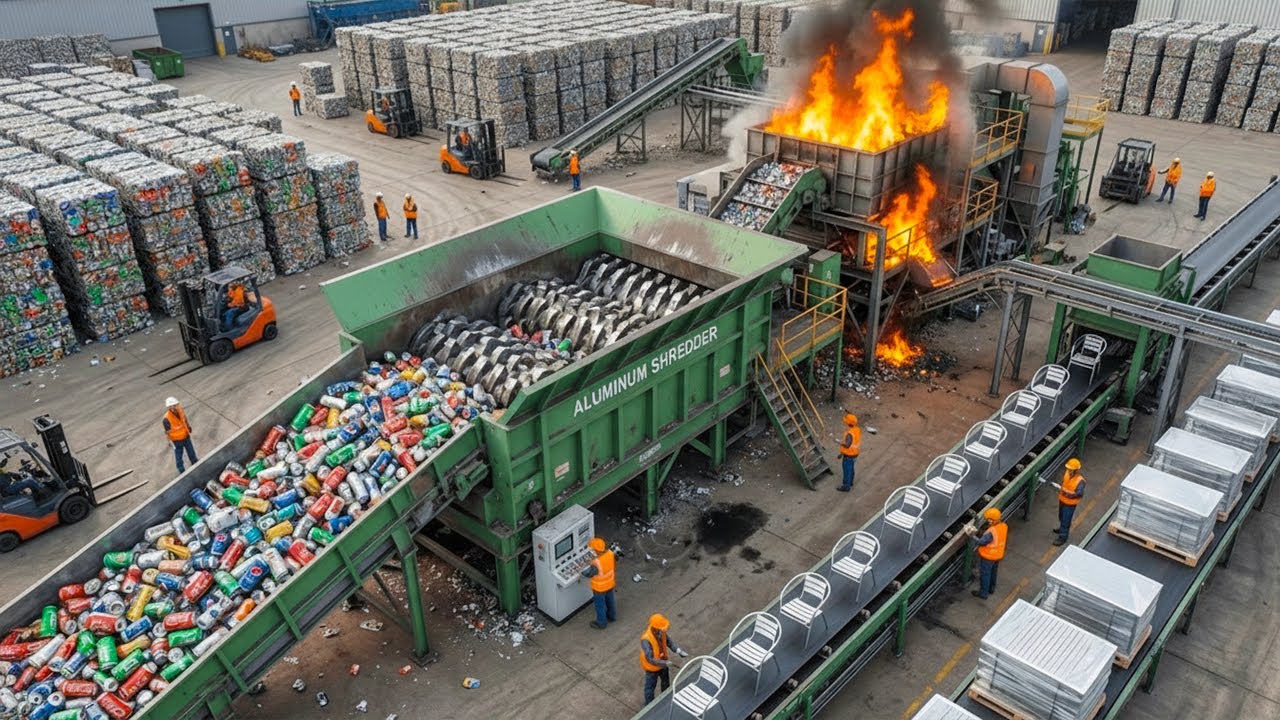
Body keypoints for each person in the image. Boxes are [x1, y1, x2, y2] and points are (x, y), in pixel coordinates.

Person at [640, 614, 687, 704]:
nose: (664, 629)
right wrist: (665, 663)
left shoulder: (661, 631)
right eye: (661, 628)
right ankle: (649, 706)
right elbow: (650, 659)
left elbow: (669, 642)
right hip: (652, 668)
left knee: (665, 682)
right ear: (655, 628)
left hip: (663, 663)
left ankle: (665, 699)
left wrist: (678, 651)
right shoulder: (646, 639)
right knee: (650, 688)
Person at [969, 508, 1007, 600]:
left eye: (989, 519)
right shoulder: (1003, 526)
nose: (987, 521)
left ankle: (983, 594)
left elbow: (981, 542)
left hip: (988, 557)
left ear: (993, 519)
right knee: (993, 572)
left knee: (985, 574)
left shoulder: (991, 532)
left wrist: (972, 535)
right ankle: (991, 588)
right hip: (998, 555)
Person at [579, 537, 616, 629]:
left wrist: (580, 568)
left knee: (600, 606)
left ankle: (601, 623)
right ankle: (612, 617)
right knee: (610, 601)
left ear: (596, 550)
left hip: (599, 588)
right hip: (610, 583)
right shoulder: (610, 554)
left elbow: (588, 573)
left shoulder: (596, 562)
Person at [1053, 458, 1085, 546]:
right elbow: (1064, 483)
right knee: (1061, 516)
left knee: (1065, 520)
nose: (1069, 470)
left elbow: (1079, 494)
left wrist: (1067, 493)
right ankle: (1061, 529)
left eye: (1071, 469)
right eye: (1068, 468)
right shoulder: (1067, 473)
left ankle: (1062, 537)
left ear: (1075, 470)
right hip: (1062, 500)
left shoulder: (1080, 481)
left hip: (1070, 504)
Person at [163, 397, 197, 474]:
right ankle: (181, 469)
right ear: (168, 407)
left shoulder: (180, 411)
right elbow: (167, 432)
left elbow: (184, 419)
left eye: (174, 405)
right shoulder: (166, 418)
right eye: (171, 406)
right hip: (177, 440)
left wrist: (188, 427)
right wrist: (169, 442)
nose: (173, 407)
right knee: (179, 455)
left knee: (191, 451)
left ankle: (195, 462)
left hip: (185, 436)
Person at [836, 413, 861, 492]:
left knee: (847, 470)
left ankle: (846, 486)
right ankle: (851, 482)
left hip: (848, 455)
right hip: (855, 453)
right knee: (851, 468)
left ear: (848, 423)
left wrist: (839, 442)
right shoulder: (857, 430)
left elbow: (847, 445)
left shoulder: (849, 434)